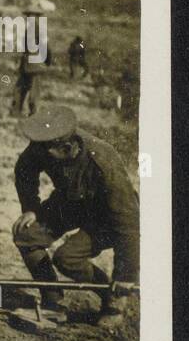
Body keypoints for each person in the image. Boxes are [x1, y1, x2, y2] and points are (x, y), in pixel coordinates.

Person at [11, 106, 138, 327]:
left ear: (68, 147)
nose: (40, 152)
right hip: (70, 202)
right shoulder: (45, 146)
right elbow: (24, 169)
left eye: (47, 150)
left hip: (105, 216)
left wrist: (125, 276)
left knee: (67, 258)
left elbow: (128, 225)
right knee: (27, 236)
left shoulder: (104, 162)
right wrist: (30, 207)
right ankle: (52, 303)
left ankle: (113, 299)